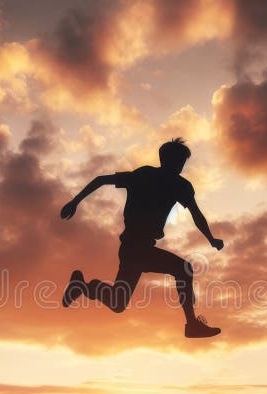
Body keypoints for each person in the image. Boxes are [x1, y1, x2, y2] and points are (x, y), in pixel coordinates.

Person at [60, 137, 223, 338]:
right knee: (184, 269)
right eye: (179, 162)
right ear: (167, 160)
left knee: (118, 303)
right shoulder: (153, 177)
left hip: (132, 249)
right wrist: (74, 201)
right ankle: (191, 324)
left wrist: (211, 238)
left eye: (183, 163)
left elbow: (196, 214)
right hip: (136, 247)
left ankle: (82, 286)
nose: (181, 166)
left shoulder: (169, 182)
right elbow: (102, 180)